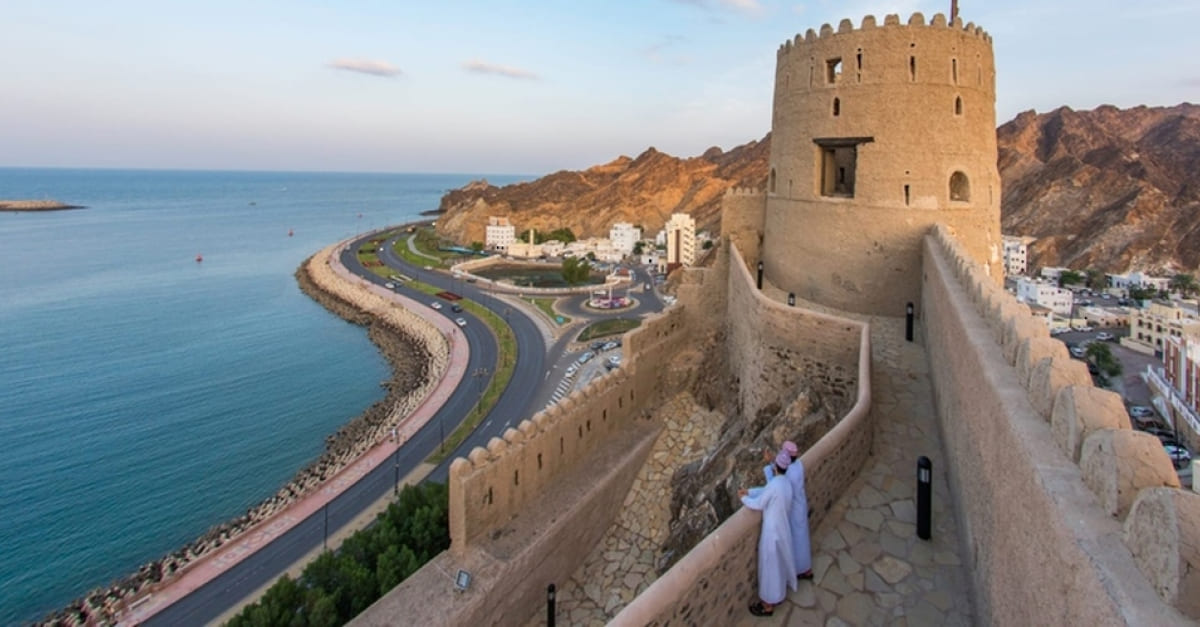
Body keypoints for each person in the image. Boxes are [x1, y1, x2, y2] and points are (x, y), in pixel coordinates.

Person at [740, 450, 796, 617]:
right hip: (782, 528)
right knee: (778, 565)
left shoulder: (775, 485)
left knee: (769, 567)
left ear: (775, 467)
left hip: (772, 532)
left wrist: (743, 498)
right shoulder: (785, 483)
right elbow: (767, 491)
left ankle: (767, 605)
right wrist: (749, 491)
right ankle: (778, 595)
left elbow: (759, 503)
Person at [761, 441, 813, 580]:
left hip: (792, 510)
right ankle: (806, 568)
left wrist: (768, 464)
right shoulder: (798, 466)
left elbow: (775, 483)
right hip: (800, 506)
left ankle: (798, 570)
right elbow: (784, 470)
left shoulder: (789, 473)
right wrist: (774, 461)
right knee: (802, 538)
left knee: (795, 541)